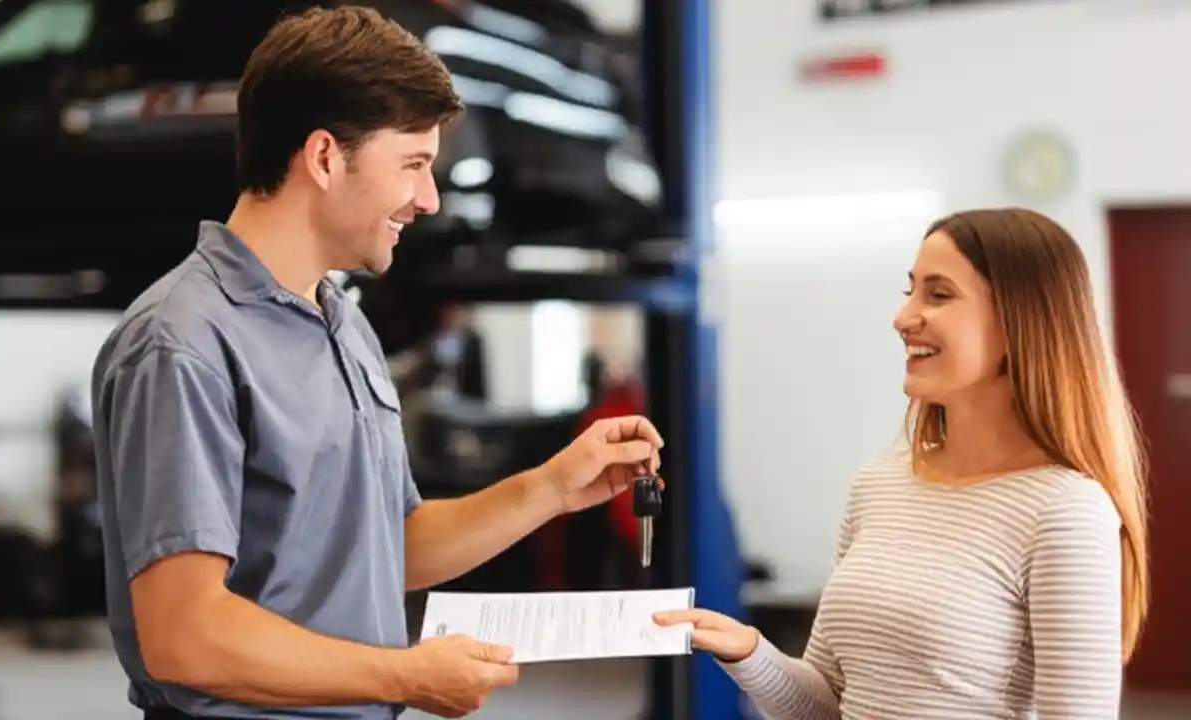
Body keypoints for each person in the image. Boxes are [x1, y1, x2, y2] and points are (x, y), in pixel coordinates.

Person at [89, 7, 664, 720]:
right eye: (414, 166)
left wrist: (550, 487)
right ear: (325, 157)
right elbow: (187, 637)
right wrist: (405, 676)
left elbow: (385, 549)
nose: (428, 198)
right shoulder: (183, 344)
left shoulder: (343, 320)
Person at [655, 207, 1148, 719]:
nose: (903, 317)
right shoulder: (879, 484)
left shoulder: (1065, 510)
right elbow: (825, 705)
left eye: (938, 294)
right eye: (910, 290)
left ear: (1018, 322)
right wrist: (750, 652)